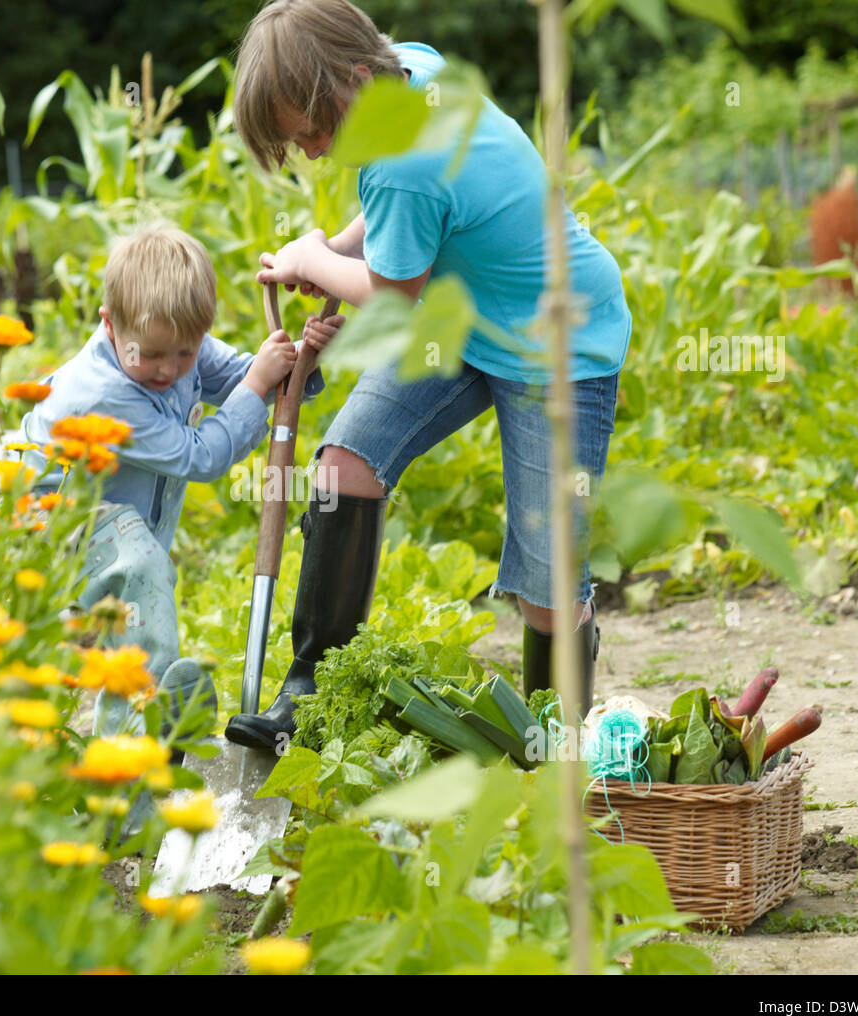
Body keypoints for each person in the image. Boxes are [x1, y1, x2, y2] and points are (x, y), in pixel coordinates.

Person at [223, 0, 631, 750]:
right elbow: (396, 220)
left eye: (314, 132)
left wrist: (317, 260)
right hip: (467, 322)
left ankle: (553, 744)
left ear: (354, 80)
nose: (311, 152)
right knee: (346, 461)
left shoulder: (401, 161)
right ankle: (309, 690)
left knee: (547, 577)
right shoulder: (410, 68)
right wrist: (335, 247)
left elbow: (395, 295)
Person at [5, 225, 344, 738]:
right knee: (142, 571)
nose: (169, 369)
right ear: (110, 326)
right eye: (153, 354)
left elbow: (244, 376)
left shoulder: (177, 344)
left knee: (127, 613)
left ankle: (145, 727)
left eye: (185, 354)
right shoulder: (102, 395)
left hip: (117, 531)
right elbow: (202, 455)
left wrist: (297, 357)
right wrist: (258, 381)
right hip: (53, 532)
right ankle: (145, 724)